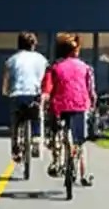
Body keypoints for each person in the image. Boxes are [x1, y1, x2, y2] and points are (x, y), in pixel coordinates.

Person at [41, 33, 96, 185]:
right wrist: (92, 103)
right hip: (80, 105)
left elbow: (47, 89)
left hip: (59, 106)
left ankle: (56, 160)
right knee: (80, 141)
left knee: (55, 130)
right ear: (76, 51)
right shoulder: (86, 67)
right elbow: (91, 90)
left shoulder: (54, 68)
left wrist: (45, 101)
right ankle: (84, 175)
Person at [2, 31, 48, 163]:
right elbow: (47, 78)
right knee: (37, 116)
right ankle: (37, 137)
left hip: (17, 94)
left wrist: (5, 91)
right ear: (34, 45)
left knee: (15, 121)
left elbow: (6, 80)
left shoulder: (11, 60)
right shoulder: (42, 59)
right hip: (35, 94)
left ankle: (16, 148)